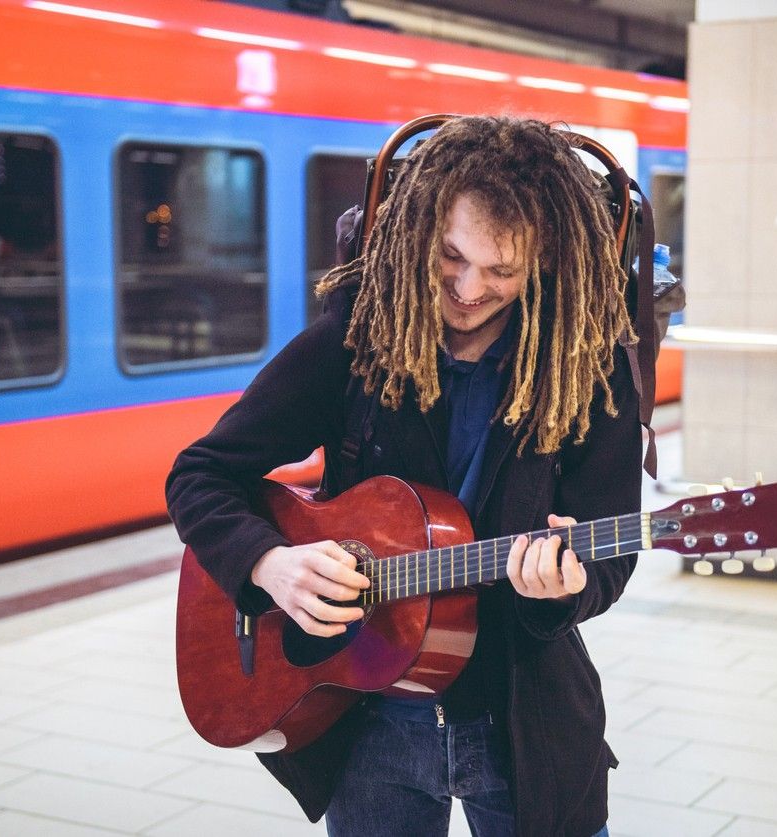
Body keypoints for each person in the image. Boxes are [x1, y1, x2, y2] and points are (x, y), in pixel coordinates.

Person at [166, 115, 642, 837]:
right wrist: (270, 563)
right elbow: (199, 474)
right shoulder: (359, 335)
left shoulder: (586, 359)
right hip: (363, 720)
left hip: (524, 719)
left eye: (501, 270)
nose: (468, 287)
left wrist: (564, 590)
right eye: (450, 255)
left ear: (543, 261)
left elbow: (610, 554)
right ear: (422, 230)